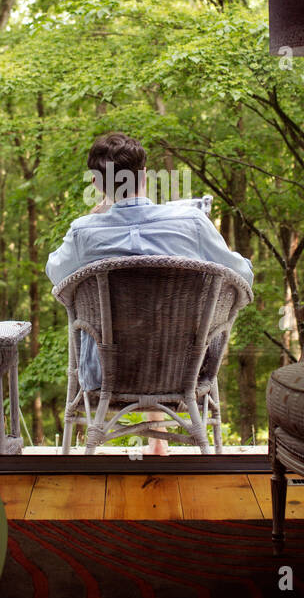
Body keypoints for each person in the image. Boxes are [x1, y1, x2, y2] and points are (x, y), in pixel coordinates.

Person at [45, 132, 254, 455]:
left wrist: (93, 219)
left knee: (132, 327)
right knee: (160, 321)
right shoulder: (191, 223)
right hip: (184, 368)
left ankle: (155, 442)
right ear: (144, 175)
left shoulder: (83, 231)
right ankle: (160, 442)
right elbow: (242, 275)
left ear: (98, 185)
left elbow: (56, 275)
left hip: (107, 373)